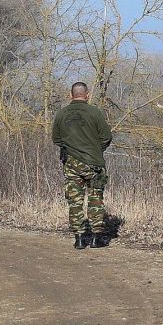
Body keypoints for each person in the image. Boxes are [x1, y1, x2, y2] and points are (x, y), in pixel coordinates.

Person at [51, 82, 113, 249]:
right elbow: (106, 137)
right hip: (94, 163)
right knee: (95, 199)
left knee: (74, 201)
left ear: (71, 95)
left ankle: (79, 238)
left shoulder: (62, 114)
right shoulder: (95, 113)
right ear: (86, 95)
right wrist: (96, 150)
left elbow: (56, 139)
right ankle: (95, 237)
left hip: (71, 163)